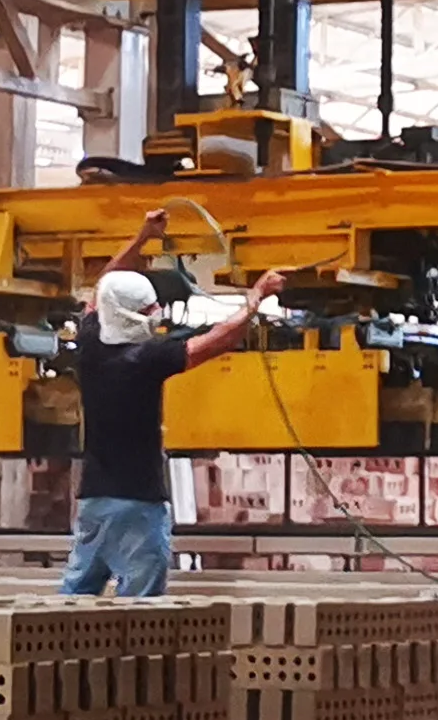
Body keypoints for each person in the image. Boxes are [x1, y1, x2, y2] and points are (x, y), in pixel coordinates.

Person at [62, 226, 287, 596]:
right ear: (137, 316)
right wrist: (256, 297)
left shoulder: (89, 345)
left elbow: (103, 288)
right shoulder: (146, 358)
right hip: (138, 503)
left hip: (94, 503)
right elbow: (218, 341)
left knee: (75, 599)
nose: (157, 312)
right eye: (150, 309)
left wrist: (141, 236)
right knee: (142, 612)